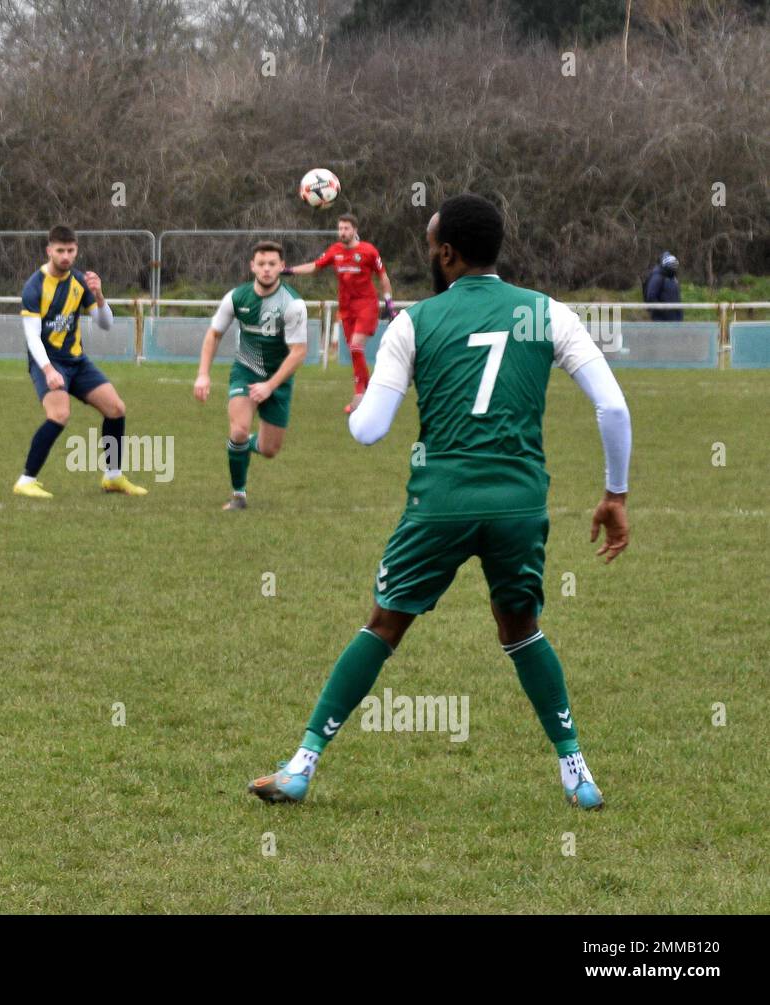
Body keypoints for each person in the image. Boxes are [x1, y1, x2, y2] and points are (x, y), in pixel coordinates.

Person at [249, 194, 632, 811]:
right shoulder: (548, 313)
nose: (430, 254)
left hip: (441, 503)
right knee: (521, 628)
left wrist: (360, 407)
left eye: (431, 246)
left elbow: (370, 429)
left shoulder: (414, 322)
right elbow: (612, 406)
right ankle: (577, 773)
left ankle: (300, 767)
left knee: (384, 623)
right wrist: (614, 492)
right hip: (518, 503)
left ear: (447, 254)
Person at [13, 225, 146, 499]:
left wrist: (98, 294)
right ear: (49, 250)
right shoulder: (34, 286)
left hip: (77, 361)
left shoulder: (79, 282)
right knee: (59, 415)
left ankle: (113, 477)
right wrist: (48, 370)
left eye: (70, 250)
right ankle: (26, 480)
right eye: (60, 250)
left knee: (116, 409)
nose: (65, 256)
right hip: (47, 362)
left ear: (76, 251)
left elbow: (105, 323)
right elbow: (32, 337)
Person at [194, 241, 308, 510]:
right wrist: (203, 375)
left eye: (272, 264)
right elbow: (214, 334)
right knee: (239, 430)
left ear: (282, 267)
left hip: (278, 379)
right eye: (261, 264)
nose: (266, 269)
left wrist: (270, 385)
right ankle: (238, 495)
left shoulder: (293, 304)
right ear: (252, 266)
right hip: (245, 371)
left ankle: (245, 446)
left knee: (269, 450)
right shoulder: (236, 297)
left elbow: (298, 352)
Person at [286, 213, 396, 414]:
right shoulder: (334, 251)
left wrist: (389, 303)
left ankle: (359, 395)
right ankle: (370, 392)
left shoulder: (368, 251)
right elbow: (314, 266)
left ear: (354, 230)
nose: (342, 232)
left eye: (346, 228)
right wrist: (290, 270)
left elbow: (383, 276)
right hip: (346, 308)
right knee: (355, 352)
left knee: (355, 346)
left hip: (366, 305)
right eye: (340, 228)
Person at [643, 252, 682, 321]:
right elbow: (651, 297)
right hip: (662, 319)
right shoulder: (657, 277)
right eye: (672, 266)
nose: (674, 269)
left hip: (675, 317)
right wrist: (663, 310)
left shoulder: (672, 278)